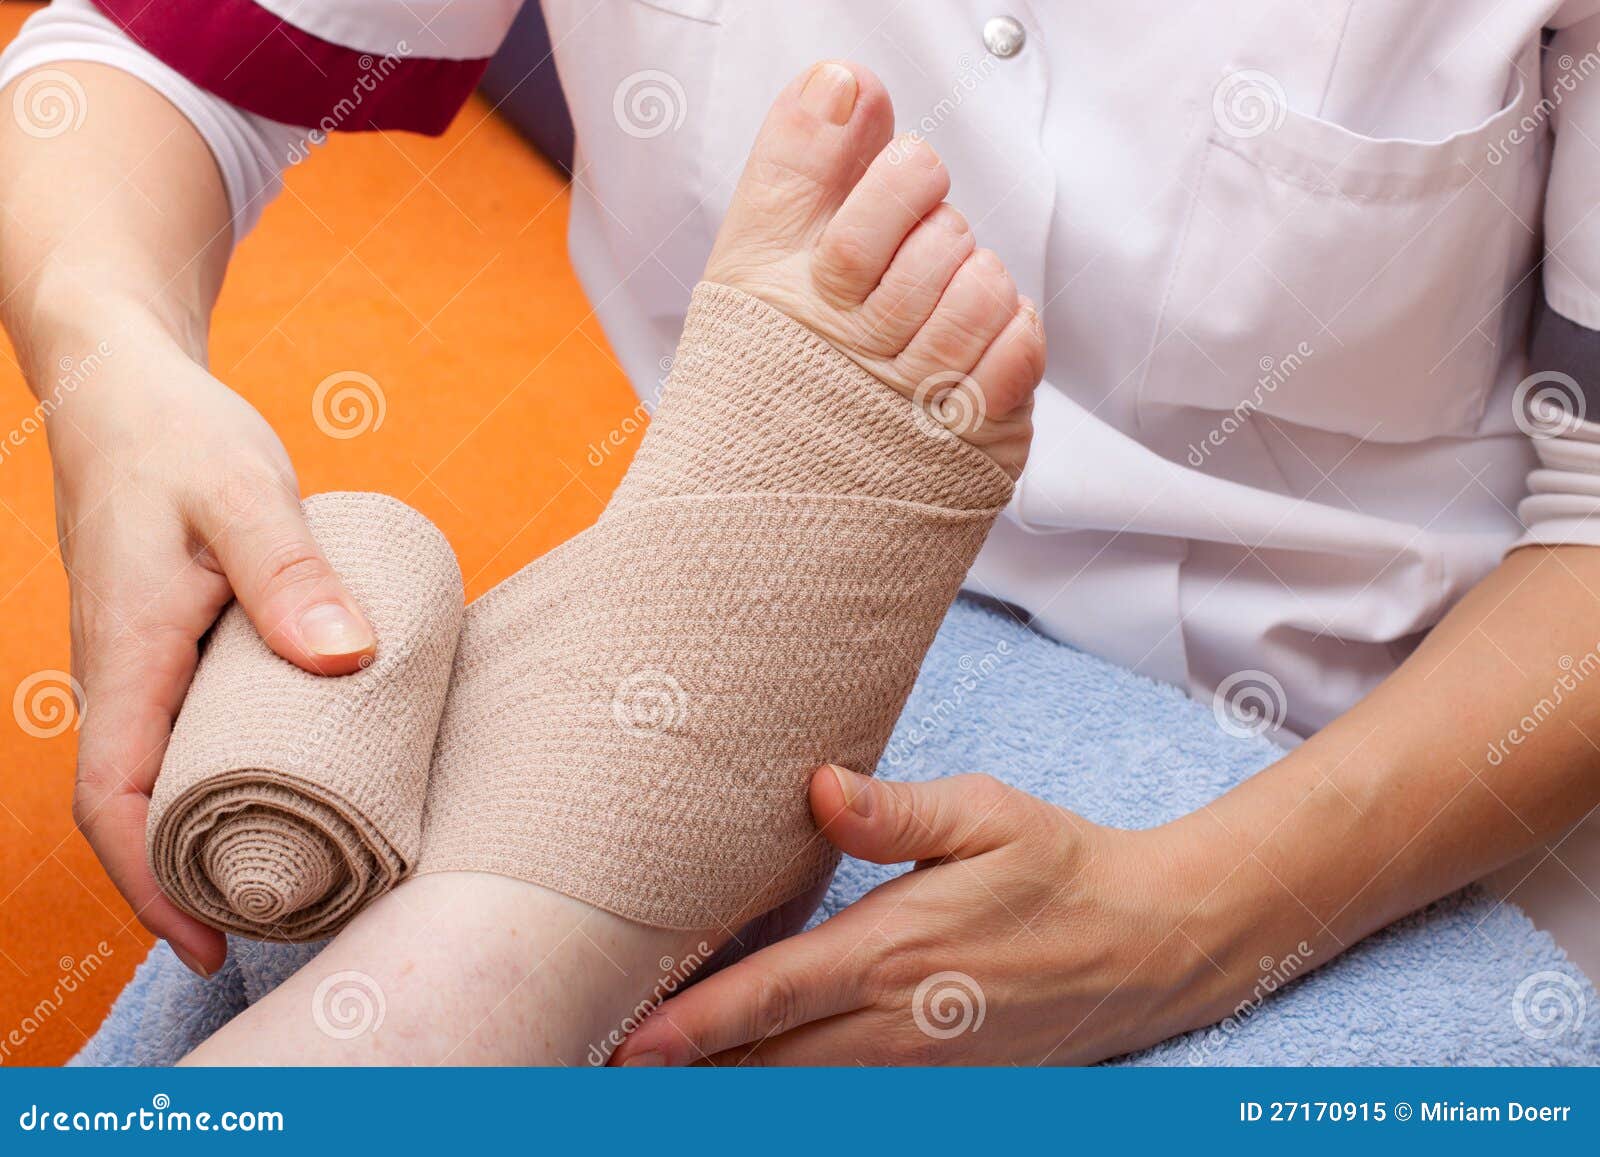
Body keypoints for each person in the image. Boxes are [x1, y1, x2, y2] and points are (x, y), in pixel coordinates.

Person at [2, 0, 1598, 1064]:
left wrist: (1185, 923)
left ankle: (560, 900)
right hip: (703, 616)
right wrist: (107, 362)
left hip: (1369, 743)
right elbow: (155, 65)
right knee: (373, 966)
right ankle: (578, 887)